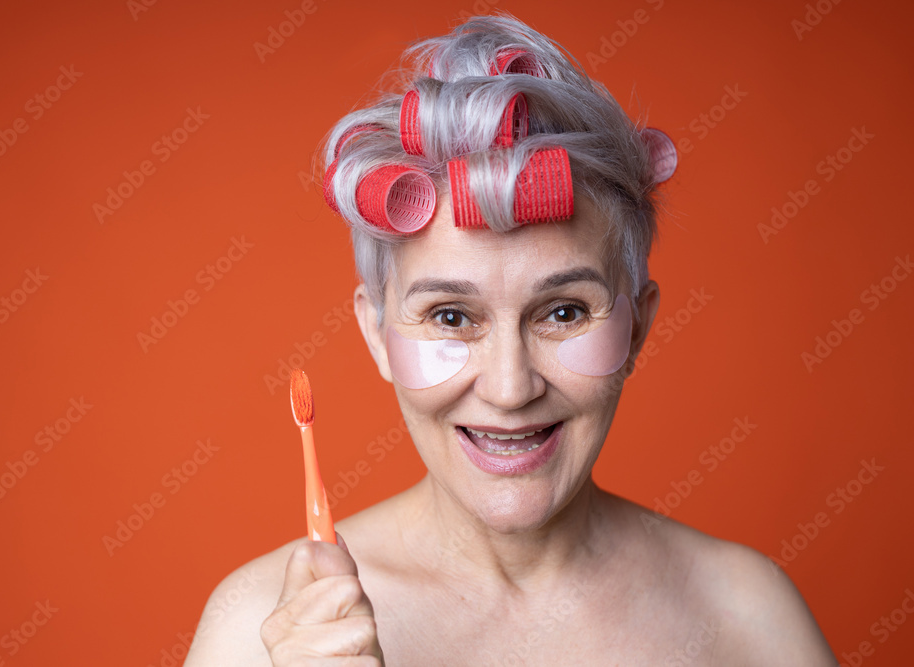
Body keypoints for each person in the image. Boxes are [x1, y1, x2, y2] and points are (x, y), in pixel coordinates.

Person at [184, 13, 837, 666]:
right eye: (450, 317)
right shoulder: (259, 630)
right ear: (377, 333)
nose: (509, 388)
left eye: (562, 312)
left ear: (637, 325)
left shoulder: (752, 618)